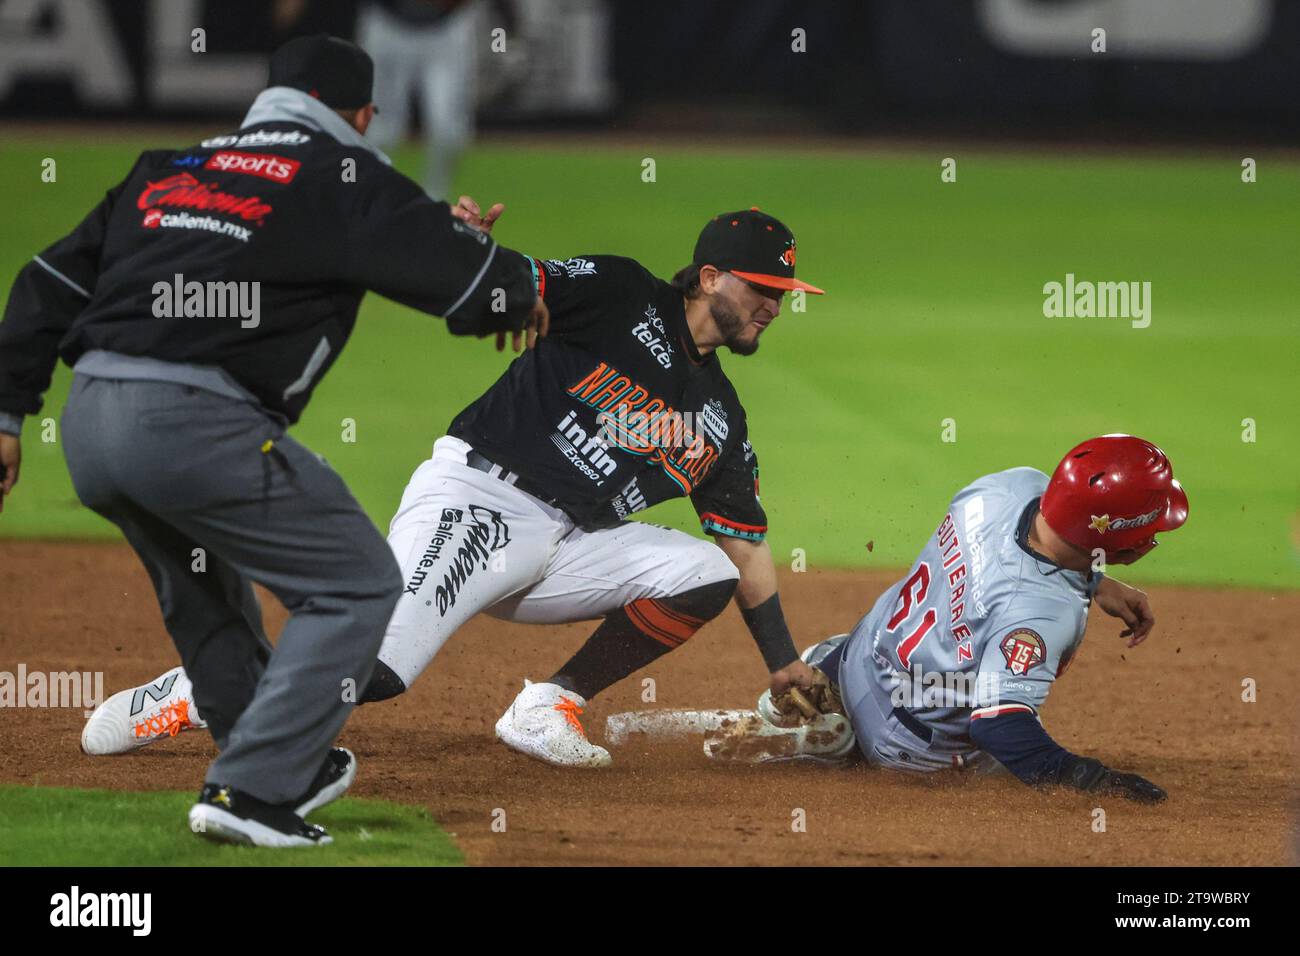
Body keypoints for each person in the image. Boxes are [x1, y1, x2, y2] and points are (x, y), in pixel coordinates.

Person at [0, 35, 544, 847]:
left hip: (90, 426)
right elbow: (486, 293)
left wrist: (7, 414)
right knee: (358, 584)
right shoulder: (343, 173)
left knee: (203, 584)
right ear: (362, 114)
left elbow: (47, 284)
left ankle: (281, 757)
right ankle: (251, 793)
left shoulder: (164, 169)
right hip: (192, 426)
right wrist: (486, 256)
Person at [83, 205, 828, 770]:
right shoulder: (624, 293)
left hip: (571, 548)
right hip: (481, 500)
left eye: (784, 292)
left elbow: (743, 540)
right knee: (377, 671)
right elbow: (516, 283)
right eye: (764, 286)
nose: (775, 303)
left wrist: (781, 660)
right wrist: (459, 244)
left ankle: (548, 704)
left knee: (709, 571)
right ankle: (200, 688)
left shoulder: (719, 415)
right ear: (708, 278)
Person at [709, 434, 1186, 804]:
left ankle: (826, 683)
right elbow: (1000, 728)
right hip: (908, 746)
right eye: (1151, 524)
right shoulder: (1041, 616)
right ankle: (837, 746)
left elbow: (1040, 552)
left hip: (864, 652)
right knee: (999, 765)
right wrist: (1095, 779)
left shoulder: (1009, 487)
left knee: (947, 625)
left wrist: (1096, 581)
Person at [357, 0, 517, 199]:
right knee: (380, 131)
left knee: (449, 130)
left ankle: (434, 201)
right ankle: (367, 198)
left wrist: (507, 35)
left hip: (446, 30)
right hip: (387, 27)